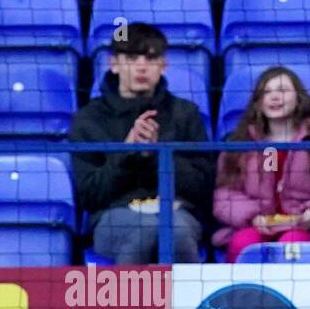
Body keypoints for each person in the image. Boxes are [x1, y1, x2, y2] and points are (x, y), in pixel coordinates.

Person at [70, 24, 213, 265]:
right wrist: (127, 152)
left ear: (163, 65)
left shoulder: (185, 114)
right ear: (114, 64)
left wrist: (157, 155)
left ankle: (184, 303)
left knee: (174, 231)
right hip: (113, 216)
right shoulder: (88, 119)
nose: (142, 66)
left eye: (151, 57)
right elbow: (90, 196)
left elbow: (202, 187)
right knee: (146, 230)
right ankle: (126, 303)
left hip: (178, 212)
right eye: (132, 57)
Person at [214, 66, 310, 262]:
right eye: (267, 92)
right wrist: (253, 216)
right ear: (258, 102)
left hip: (308, 229)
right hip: (254, 225)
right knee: (243, 243)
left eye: (282, 91)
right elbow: (224, 195)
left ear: (299, 98)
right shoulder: (240, 143)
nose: (274, 97)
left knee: (292, 245)